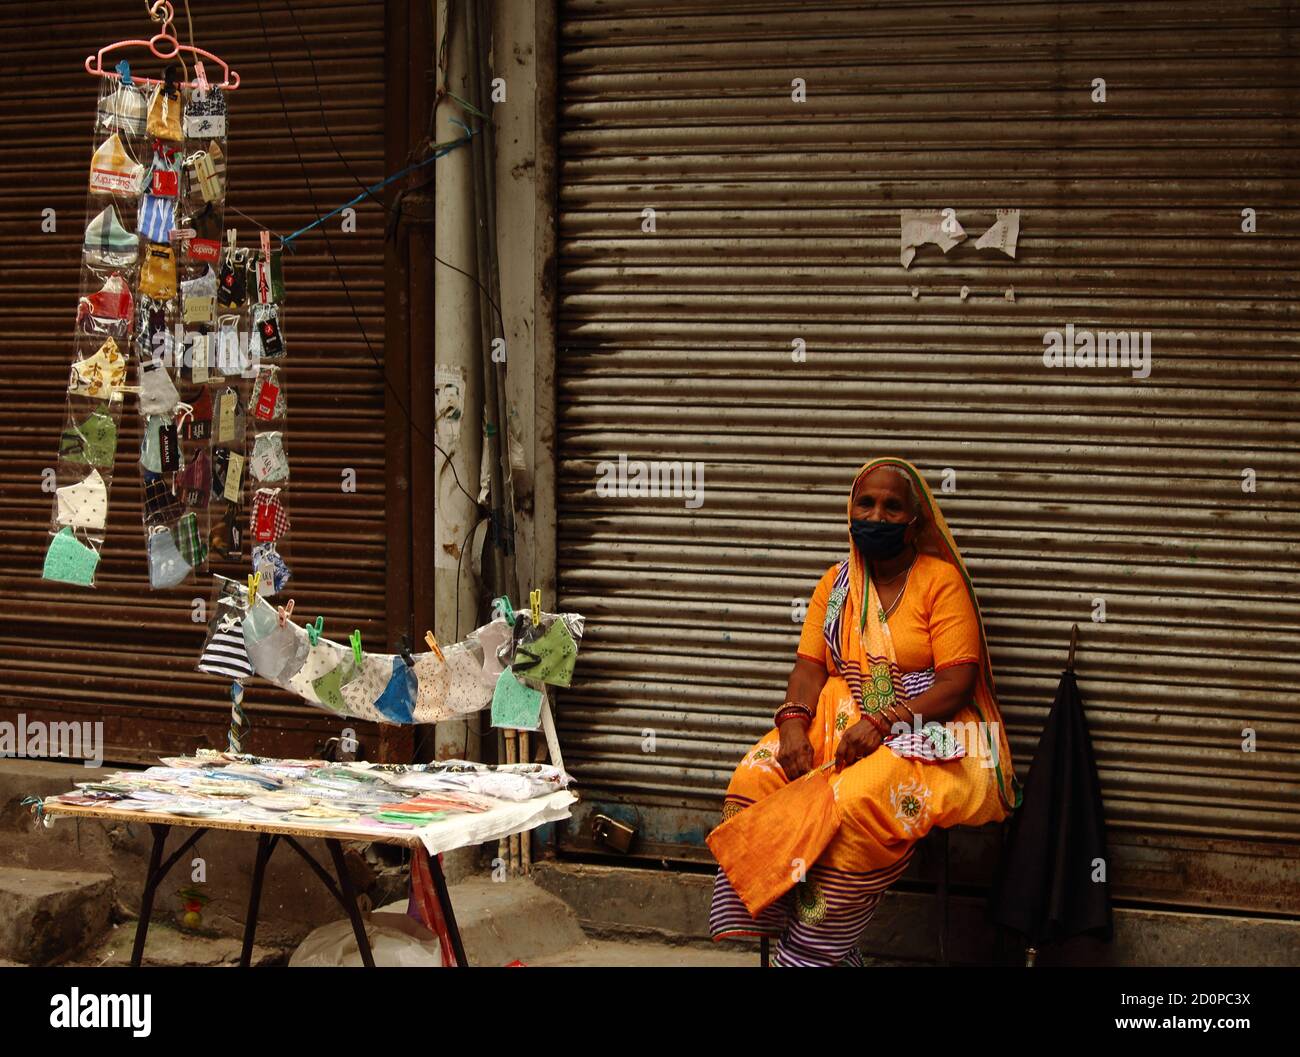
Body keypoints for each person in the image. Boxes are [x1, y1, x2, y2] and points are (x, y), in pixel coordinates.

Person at [709, 456, 1021, 966]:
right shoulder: (836, 585)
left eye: (892, 506)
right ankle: (782, 916)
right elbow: (809, 668)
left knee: (851, 802)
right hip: (845, 718)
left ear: (915, 522)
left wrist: (883, 722)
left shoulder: (940, 582)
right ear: (849, 510)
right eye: (865, 503)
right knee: (757, 776)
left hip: (932, 730)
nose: (876, 516)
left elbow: (957, 683)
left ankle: (817, 952)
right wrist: (792, 725)